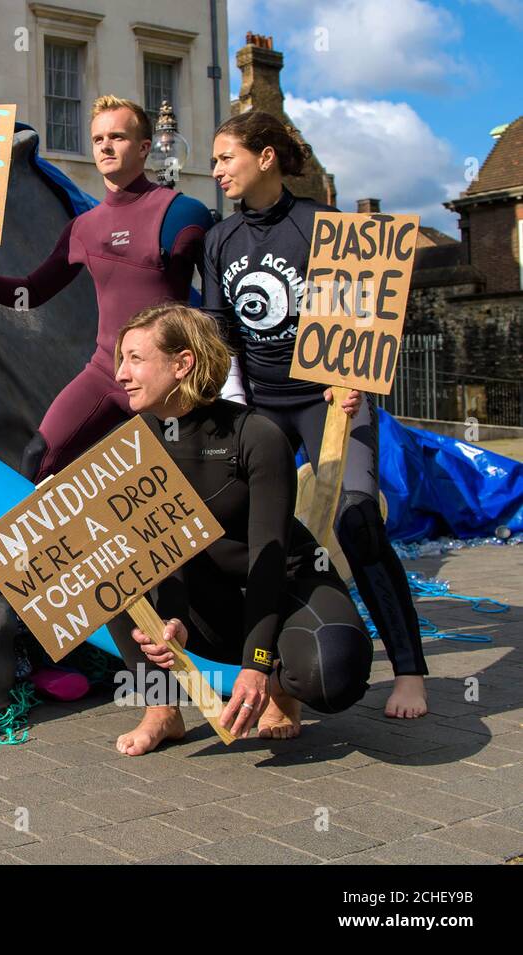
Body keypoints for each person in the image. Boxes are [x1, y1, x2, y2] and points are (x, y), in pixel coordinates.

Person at [203, 110, 429, 719]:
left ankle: (409, 669)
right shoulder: (219, 240)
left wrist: (348, 379)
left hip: (330, 398)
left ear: (266, 157)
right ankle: (277, 682)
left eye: (226, 157)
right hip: (260, 407)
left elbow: (363, 322)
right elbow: (220, 338)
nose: (217, 169)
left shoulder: (321, 226)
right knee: (263, 537)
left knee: (357, 518)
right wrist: (236, 417)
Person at [107, 303, 373, 754]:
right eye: (120, 359)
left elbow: (268, 557)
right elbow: (156, 549)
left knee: (333, 673)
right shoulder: (135, 441)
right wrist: (172, 618)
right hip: (210, 598)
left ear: (182, 363)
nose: (120, 373)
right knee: (96, 562)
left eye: (135, 358)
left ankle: (280, 689)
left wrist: (256, 664)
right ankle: (161, 707)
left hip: (283, 587)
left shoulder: (255, 435)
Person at [0, 95, 211, 482]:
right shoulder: (84, 228)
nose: (105, 145)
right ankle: (35, 545)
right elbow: (31, 294)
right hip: (107, 370)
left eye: (117, 136)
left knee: (181, 485)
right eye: (98, 137)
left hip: (169, 376)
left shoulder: (185, 213)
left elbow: (219, 303)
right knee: (39, 457)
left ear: (144, 147)